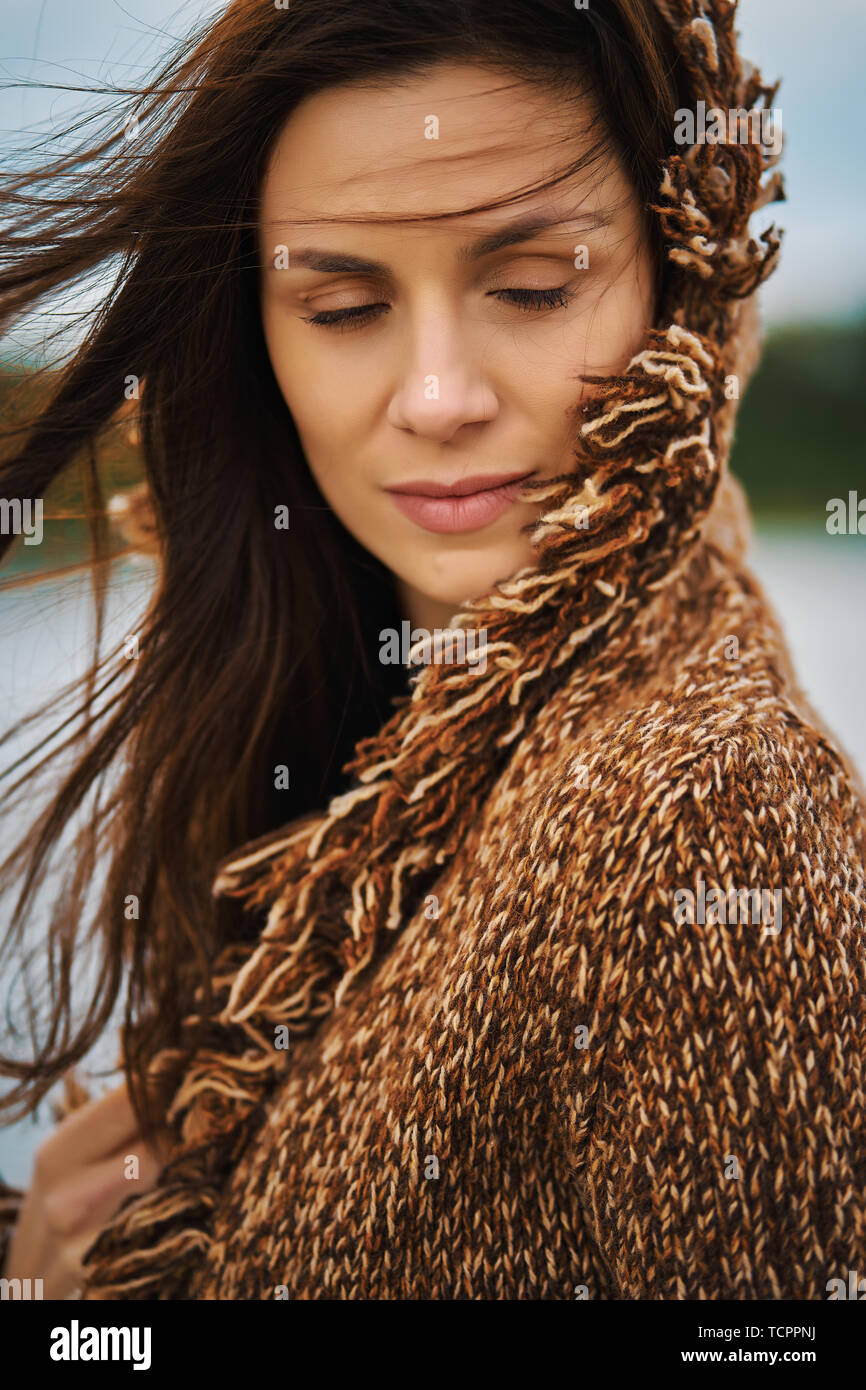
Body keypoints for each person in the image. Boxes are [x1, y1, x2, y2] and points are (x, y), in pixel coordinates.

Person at [1, 0, 864, 1301]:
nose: (436, 395)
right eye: (343, 305)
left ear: (685, 278)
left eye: (529, 288)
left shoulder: (712, 822)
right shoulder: (337, 732)